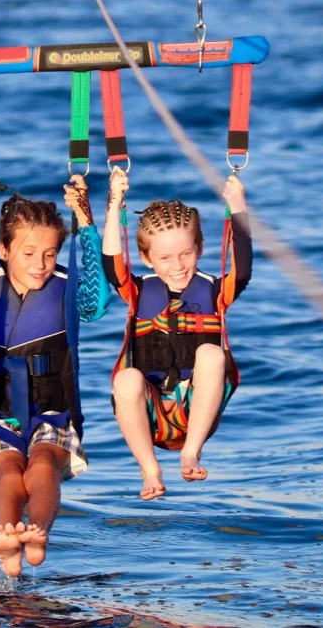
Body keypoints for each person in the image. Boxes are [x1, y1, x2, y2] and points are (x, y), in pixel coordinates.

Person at [0, 175, 109, 577]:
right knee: (8, 471)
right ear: (4, 249)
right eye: (29, 252)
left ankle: (37, 532)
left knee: (43, 465)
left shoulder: (67, 289)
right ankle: (5, 540)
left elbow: (98, 303)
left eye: (50, 254)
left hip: (55, 411)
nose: (40, 264)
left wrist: (86, 223)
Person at [102, 170, 252, 500]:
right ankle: (150, 470)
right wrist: (114, 205)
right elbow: (112, 264)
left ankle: (191, 454)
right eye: (165, 258)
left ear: (199, 246)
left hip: (197, 410)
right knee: (126, 379)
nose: (178, 266)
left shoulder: (214, 292)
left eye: (186, 253)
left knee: (212, 354)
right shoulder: (138, 292)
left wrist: (238, 210)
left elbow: (242, 270)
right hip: (150, 415)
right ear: (145, 258)